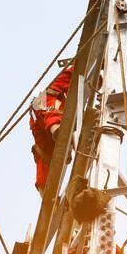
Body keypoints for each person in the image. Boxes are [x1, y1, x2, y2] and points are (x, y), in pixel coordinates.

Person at [30, 63, 73, 192]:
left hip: (41, 124)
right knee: (51, 111)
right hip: (45, 105)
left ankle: (46, 198)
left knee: (43, 159)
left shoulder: (45, 147)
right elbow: (80, 65)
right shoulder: (56, 88)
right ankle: (56, 129)